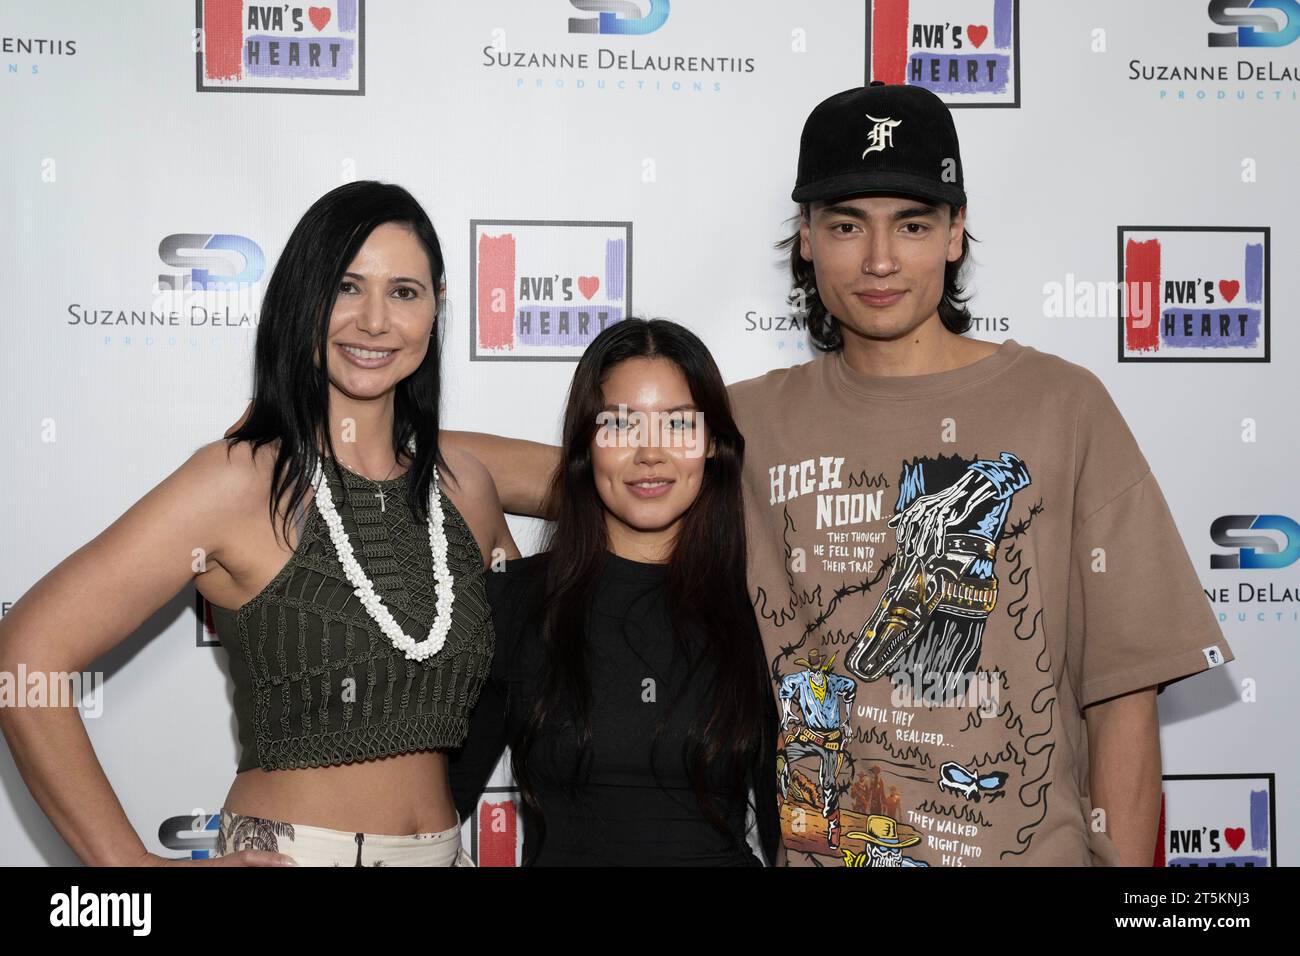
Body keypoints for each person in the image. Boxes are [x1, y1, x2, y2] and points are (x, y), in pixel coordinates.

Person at [444, 84, 1235, 867]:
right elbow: (601, 474)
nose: (880, 259)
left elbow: (1124, 694)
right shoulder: (749, 426)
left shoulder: (1065, 408)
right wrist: (352, 439)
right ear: (808, 239)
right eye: (847, 225)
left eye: (913, 224)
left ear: (957, 233)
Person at [0, 181, 518, 867]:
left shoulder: (466, 487)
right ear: (302, 303)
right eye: (345, 287)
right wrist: (131, 868)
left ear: (437, 308)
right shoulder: (238, 482)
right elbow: (26, 654)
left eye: (403, 292)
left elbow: (591, 494)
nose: (373, 321)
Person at [448, 318, 780, 866]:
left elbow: (789, 822)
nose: (649, 454)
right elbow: (436, 806)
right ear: (585, 446)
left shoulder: (762, 610)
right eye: (621, 426)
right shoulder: (514, 602)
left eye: (678, 426)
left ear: (715, 446)